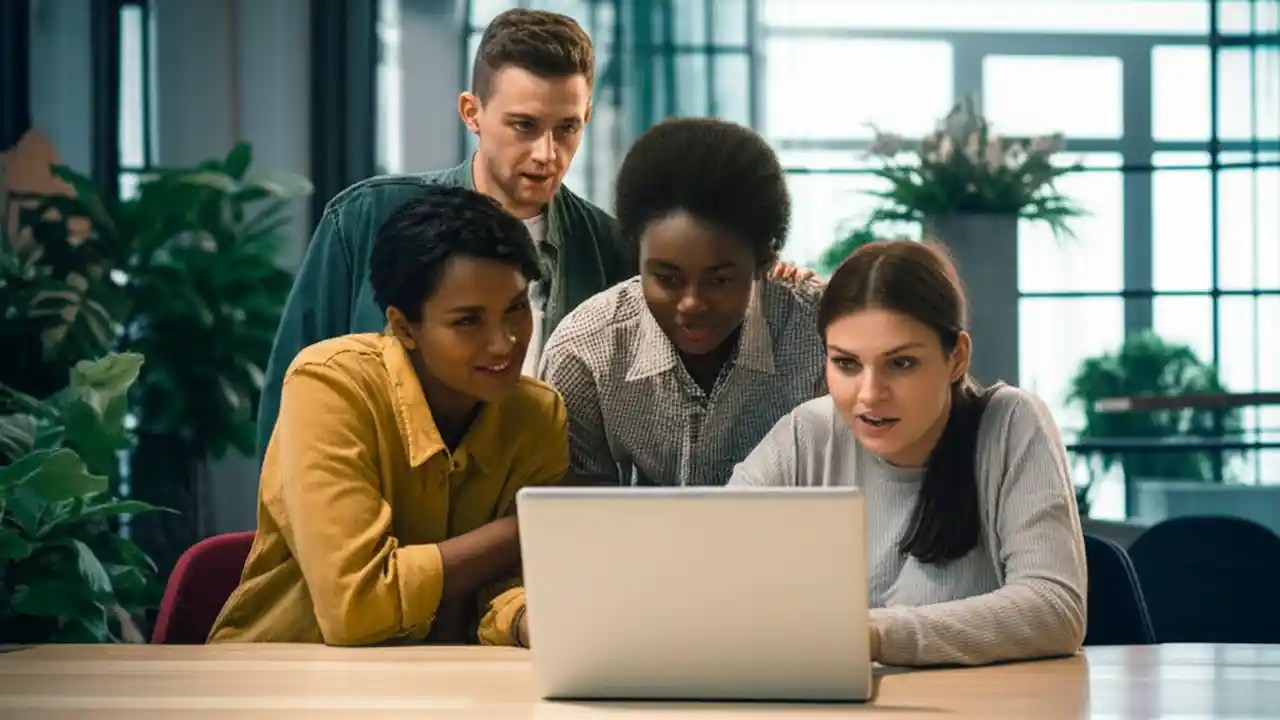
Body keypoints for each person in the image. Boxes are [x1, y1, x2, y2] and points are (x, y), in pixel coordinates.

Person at [254, 9, 628, 460]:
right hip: (371, 493)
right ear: (472, 113)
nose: (547, 154)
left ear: (586, 115)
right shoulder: (365, 218)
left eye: (567, 128)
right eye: (524, 126)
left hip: (538, 494)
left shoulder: (610, 250)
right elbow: (290, 397)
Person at [208, 185, 566, 647]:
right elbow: (355, 607)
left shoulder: (538, 414)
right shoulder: (331, 385)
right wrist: (526, 527)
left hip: (445, 680)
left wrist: (528, 621)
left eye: (516, 308)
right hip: (283, 670)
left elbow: (507, 587)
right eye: (467, 321)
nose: (504, 343)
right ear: (403, 327)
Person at [729, 239, 1087, 667]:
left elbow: (1055, 608)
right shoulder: (808, 434)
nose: (869, 394)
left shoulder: (1010, 424)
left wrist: (875, 635)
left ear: (957, 358)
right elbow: (712, 566)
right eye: (846, 364)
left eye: (900, 364)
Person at [538, 117, 827, 487]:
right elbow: (575, 511)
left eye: (719, 281)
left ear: (763, 262)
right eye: (667, 279)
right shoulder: (585, 353)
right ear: (637, 255)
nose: (691, 304)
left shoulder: (821, 336)